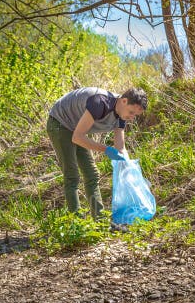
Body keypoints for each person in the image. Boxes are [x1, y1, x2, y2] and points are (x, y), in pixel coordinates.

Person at [46, 87, 148, 217]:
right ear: (124, 101)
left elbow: (121, 148)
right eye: (131, 112)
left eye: (135, 115)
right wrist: (106, 149)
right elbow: (77, 137)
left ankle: (99, 219)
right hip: (60, 122)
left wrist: (128, 166)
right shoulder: (100, 103)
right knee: (72, 175)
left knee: (92, 174)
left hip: (76, 128)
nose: (132, 118)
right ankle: (75, 222)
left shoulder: (122, 114)